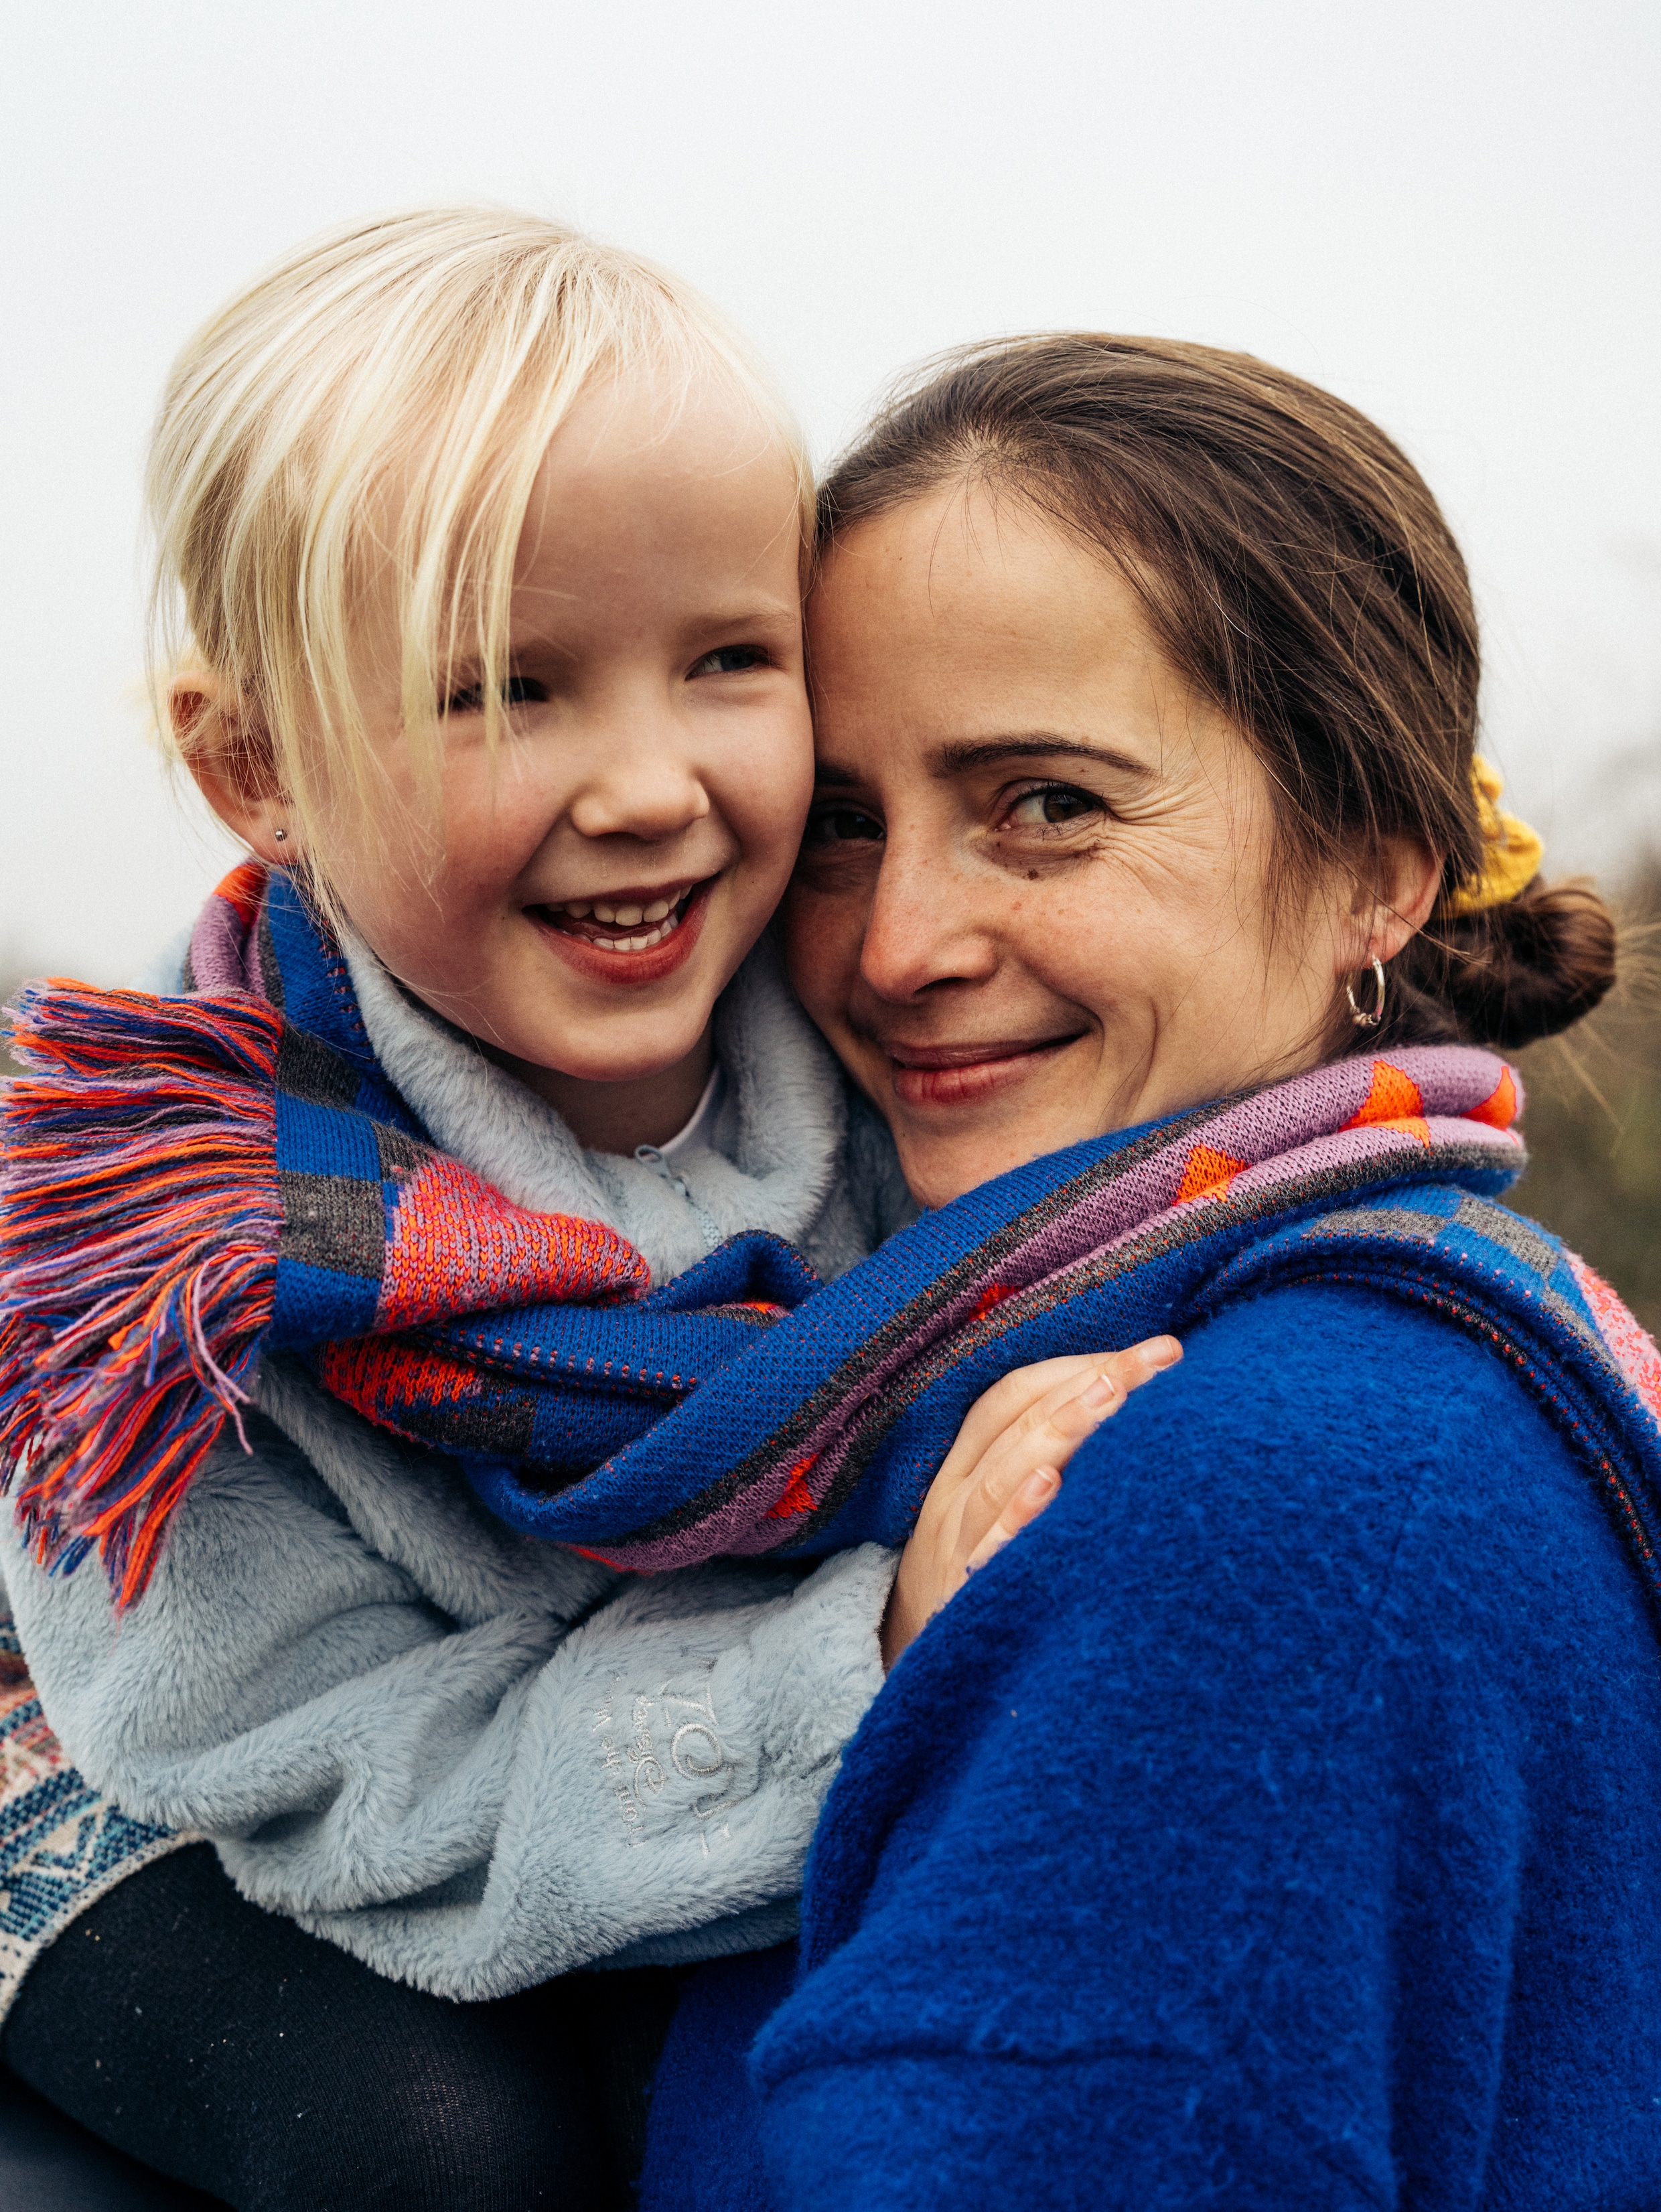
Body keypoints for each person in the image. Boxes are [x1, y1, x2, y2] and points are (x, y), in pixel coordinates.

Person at [0, 224, 1167, 2210]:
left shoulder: (894, 1040)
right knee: (445, 2150)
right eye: (505, 689)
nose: (648, 785)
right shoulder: (164, 1248)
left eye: (727, 661)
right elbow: (332, 1777)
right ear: (259, 766)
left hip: (648, 1768)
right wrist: (865, 1647)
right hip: (168, 1771)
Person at [631, 336, 1661, 2210]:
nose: (904, 943)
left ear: (1376, 873)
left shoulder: (1266, 1484)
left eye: (1048, 803)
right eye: (846, 824)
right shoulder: (1378, 1339)